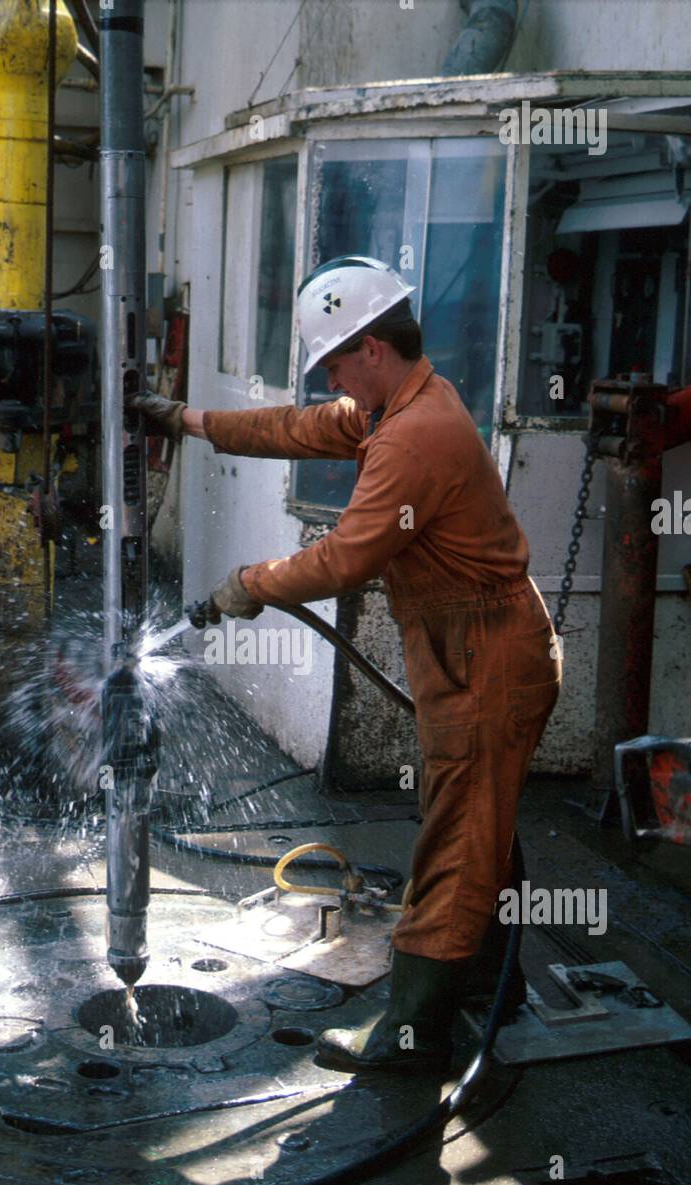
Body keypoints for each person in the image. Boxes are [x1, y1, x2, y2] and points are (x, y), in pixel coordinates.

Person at [129, 255, 562, 1074]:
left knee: (458, 838)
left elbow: (344, 560)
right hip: (465, 645)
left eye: (333, 359)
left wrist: (245, 585)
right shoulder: (395, 403)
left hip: (486, 653)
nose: (331, 378)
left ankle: (412, 1031)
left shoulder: (411, 435)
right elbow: (295, 428)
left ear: (370, 347)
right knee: (477, 822)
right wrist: (182, 420)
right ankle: (482, 986)